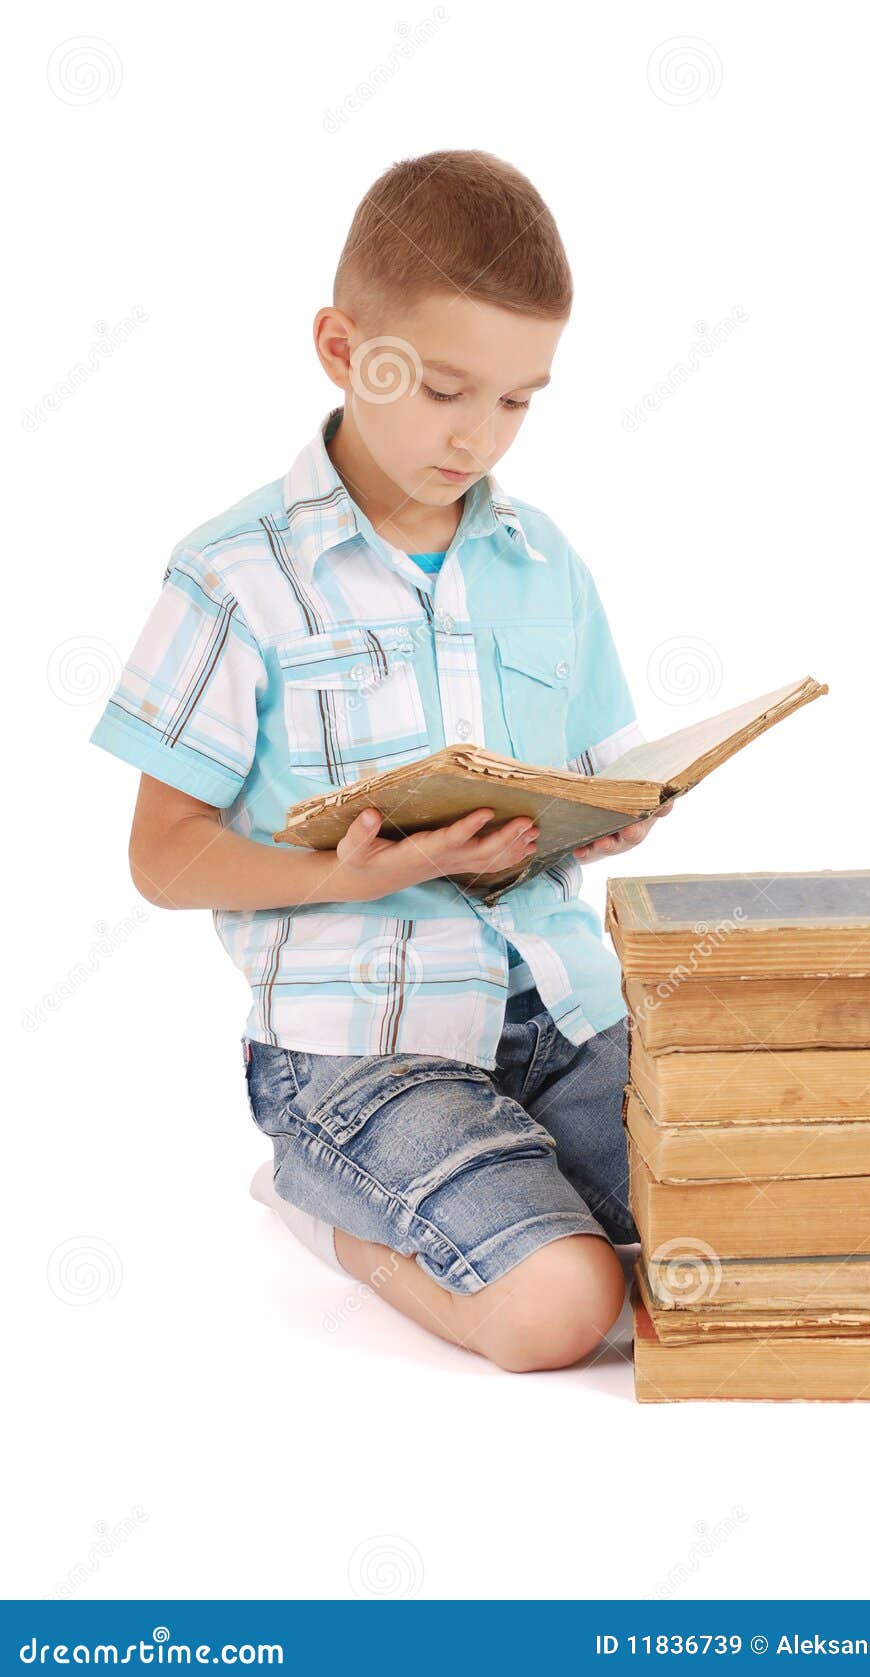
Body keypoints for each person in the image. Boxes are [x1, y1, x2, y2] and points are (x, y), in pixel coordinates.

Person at [89, 149, 673, 1374]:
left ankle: (517, 1186)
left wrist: (617, 814)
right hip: (363, 1051)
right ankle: (335, 1209)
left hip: (566, 1013)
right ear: (344, 348)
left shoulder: (540, 559)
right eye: (447, 389)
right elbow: (161, 858)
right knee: (561, 1306)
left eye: (517, 402)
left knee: (759, 1237)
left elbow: (599, 769)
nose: (478, 436)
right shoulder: (236, 576)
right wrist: (343, 877)